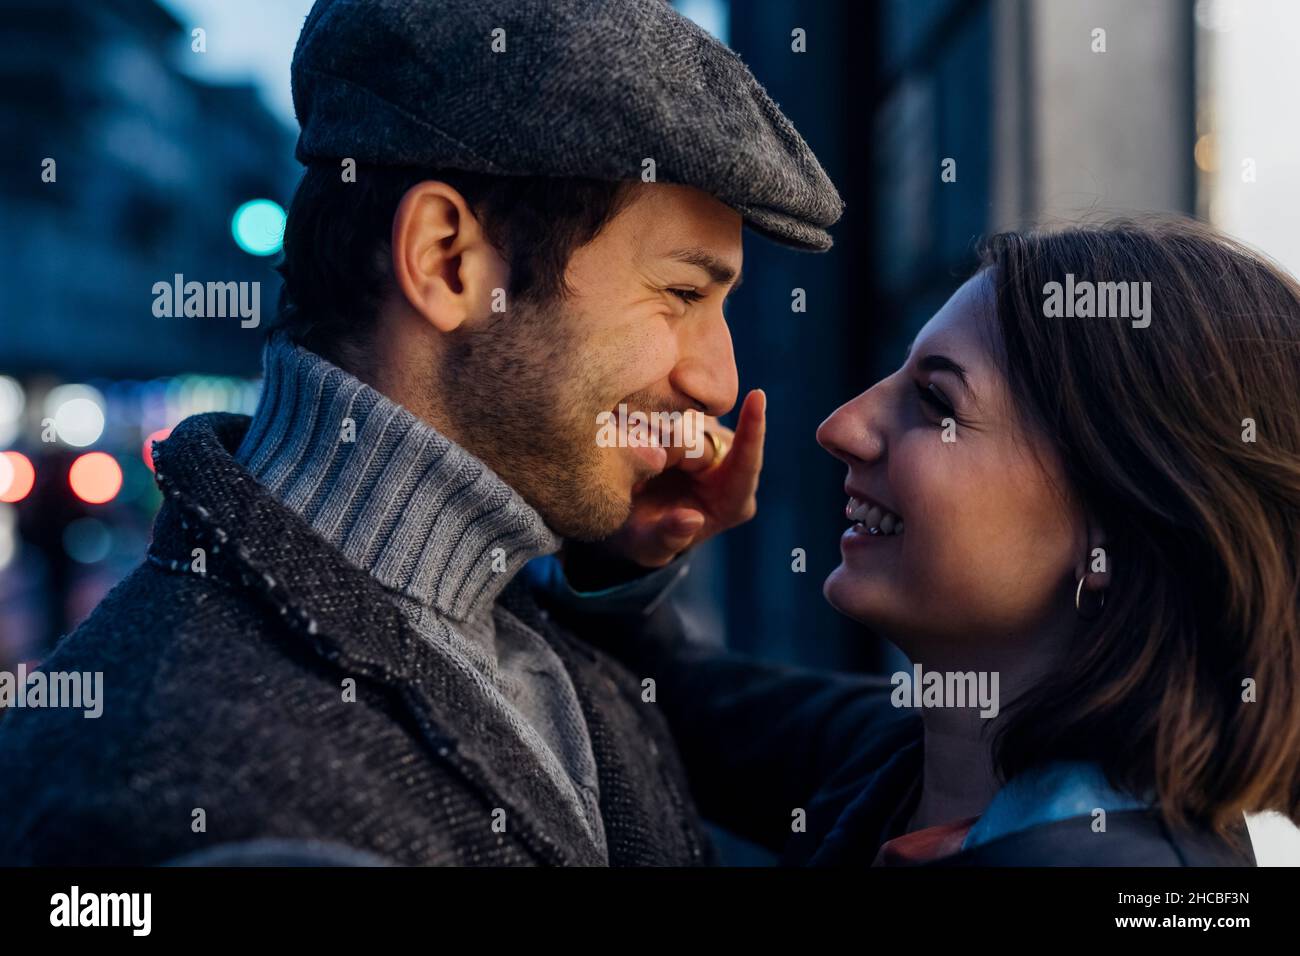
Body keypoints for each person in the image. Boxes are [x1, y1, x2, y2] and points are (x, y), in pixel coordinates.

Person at [0, 0, 842, 866]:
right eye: (682, 294)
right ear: (448, 260)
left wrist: (618, 567)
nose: (719, 380)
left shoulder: (502, 606)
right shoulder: (196, 792)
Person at [556, 217, 1300, 866]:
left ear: (1124, 539)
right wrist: (631, 546)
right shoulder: (905, 756)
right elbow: (663, 698)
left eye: (937, 401)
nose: (839, 428)